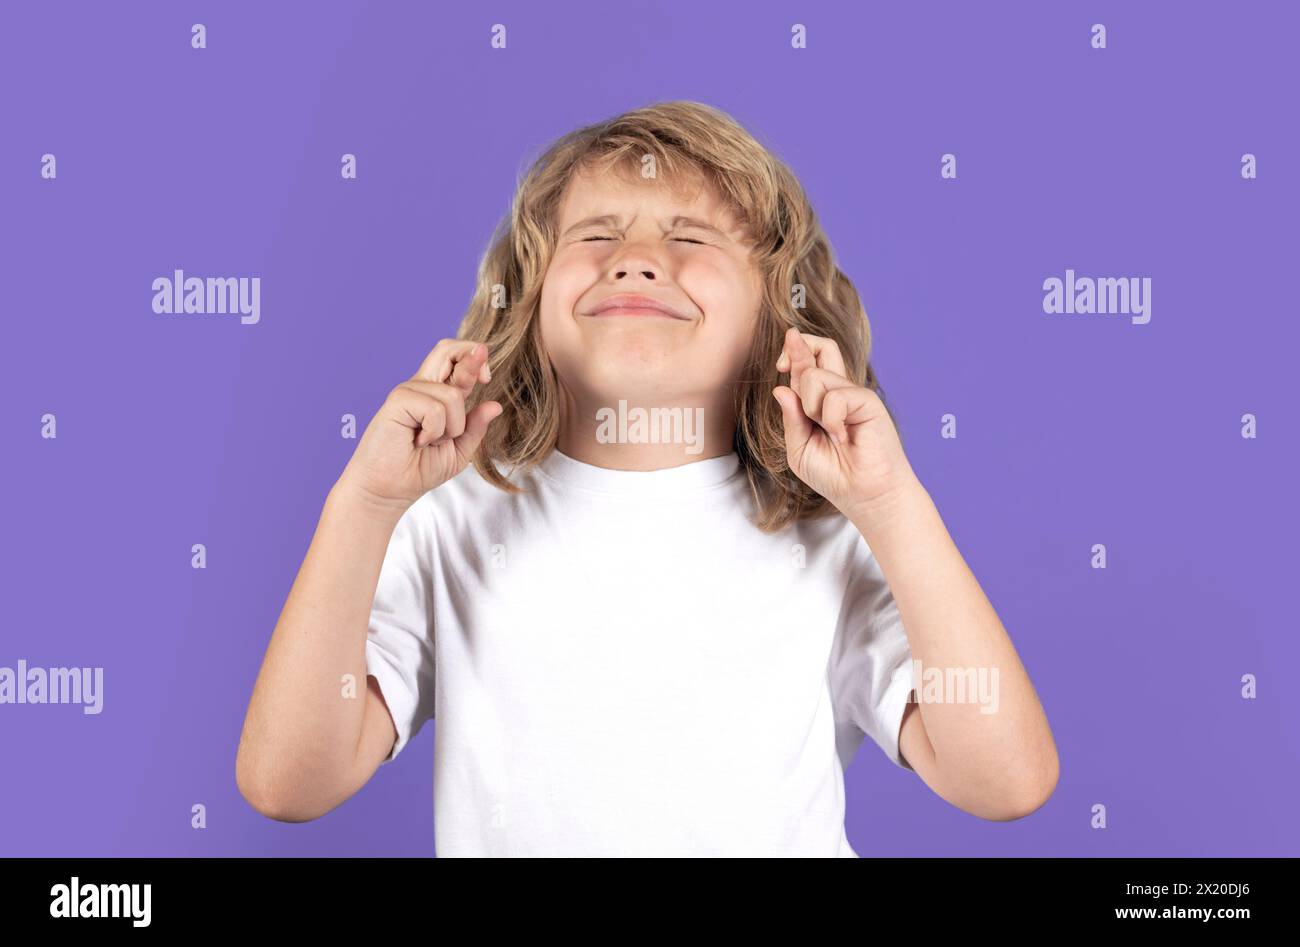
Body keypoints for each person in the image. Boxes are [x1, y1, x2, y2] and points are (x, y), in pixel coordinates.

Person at [236, 100, 1059, 856]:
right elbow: (286, 782)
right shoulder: (450, 521)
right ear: (528, 303)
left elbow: (1006, 780)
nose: (633, 263)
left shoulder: (828, 535)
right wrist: (364, 504)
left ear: (776, 318)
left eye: (689, 239)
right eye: (595, 236)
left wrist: (889, 503)